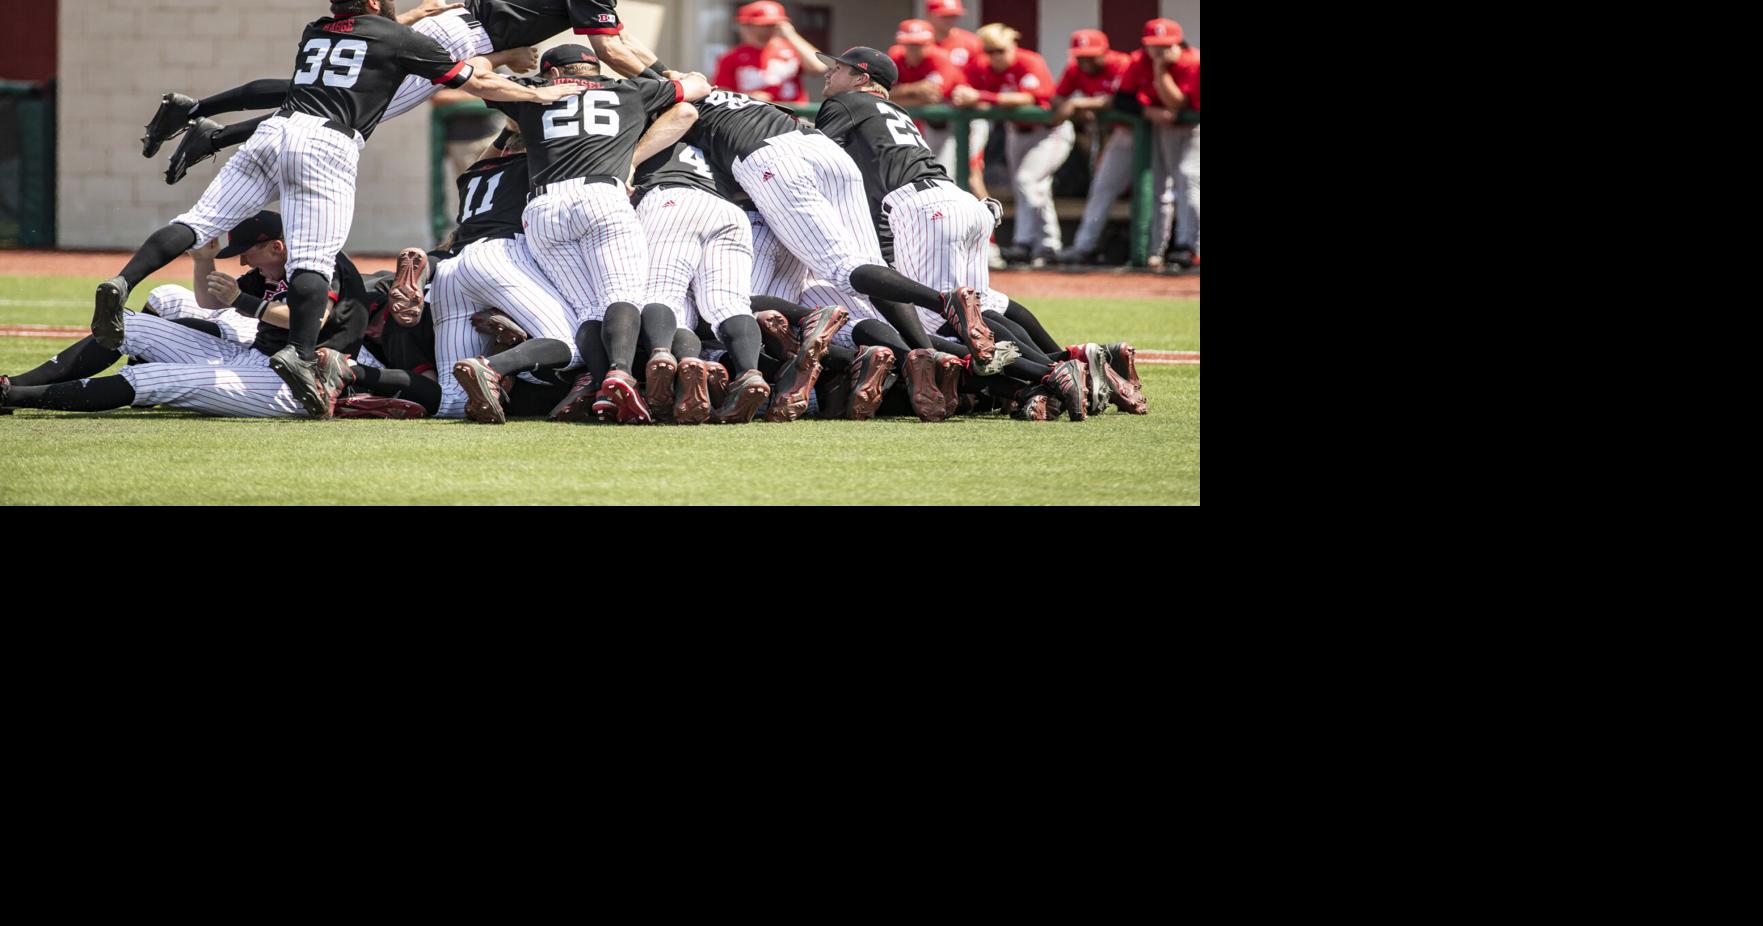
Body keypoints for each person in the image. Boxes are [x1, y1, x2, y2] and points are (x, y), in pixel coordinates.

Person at [97, 0, 584, 421]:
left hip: (275, 132)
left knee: (197, 223)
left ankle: (121, 283)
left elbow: (331, 63)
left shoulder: (318, 30)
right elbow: (473, 82)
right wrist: (537, 92)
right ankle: (303, 355)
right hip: (328, 143)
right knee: (315, 257)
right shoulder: (398, 36)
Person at [481, 44, 711, 425]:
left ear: (554, 74)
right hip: (602, 196)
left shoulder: (534, 95)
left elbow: (473, 78)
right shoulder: (628, 91)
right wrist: (660, 73)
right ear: (595, 68)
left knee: (588, 310)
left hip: (542, 207)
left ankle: (605, 384)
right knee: (621, 296)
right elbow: (698, 87)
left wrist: (517, 67)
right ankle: (620, 372)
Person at [4, 213, 371, 419]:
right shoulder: (271, 267)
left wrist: (244, 301)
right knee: (131, 325)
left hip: (298, 385)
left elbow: (310, 321)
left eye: (247, 252)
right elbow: (209, 303)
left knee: (153, 378)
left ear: (276, 247)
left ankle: (20, 398)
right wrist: (203, 261)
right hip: (254, 358)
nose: (243, 260)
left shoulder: (321, 263)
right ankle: (11, 386)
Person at [951, 23, 1069, 265]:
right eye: (990, 51)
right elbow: (962, 86)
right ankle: (1047, 245)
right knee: (1031, 186)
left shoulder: (1029, 61)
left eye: (1000, 50)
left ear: (1013, 45)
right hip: (1016, 131)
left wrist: (982, 97)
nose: (995, 56)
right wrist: (965, 95)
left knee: (1028, 181)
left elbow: (1029, 98)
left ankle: (1026, 242)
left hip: (1049, 132)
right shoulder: (982, 67)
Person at [1119, 18, 1200, 270]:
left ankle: (1191, 247)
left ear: (1178, 44)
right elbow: (1121, 99)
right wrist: (1149, 112)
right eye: (1154, 45)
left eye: (1166, 45)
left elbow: (1177, 104)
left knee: (1188, 178)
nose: (1159, 51)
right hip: (1164, 130)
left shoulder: (1192, 62)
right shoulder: (1139, 60)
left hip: (1195, 127)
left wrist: (1160, 70)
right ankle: (1155, 251)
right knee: (1159, 187)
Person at [1050, 29, 1134, 265]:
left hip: (1152, 133)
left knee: (1167, 191)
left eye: (1091, 55)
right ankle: (1084, 247)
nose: (1085, 61)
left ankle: (1169, 250)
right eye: (1080, 56)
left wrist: (1079, 102)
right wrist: (1077, 106)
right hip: (1121, 135)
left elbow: (1118, 99)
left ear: (1104, 52)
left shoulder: (1121, 63)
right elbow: (1057, 97)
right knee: (1102, 188)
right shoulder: (1074, 68)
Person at [711, 1, 827, 105]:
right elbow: (720, 92)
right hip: (753, 117)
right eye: (764, 25)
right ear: (747, 26)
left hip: (793, 116)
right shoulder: (731, 56)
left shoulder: (791, 48)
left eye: (774, 24)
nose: (770, 29)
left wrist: (791, 35)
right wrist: (746, 98)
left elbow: (819, 67)